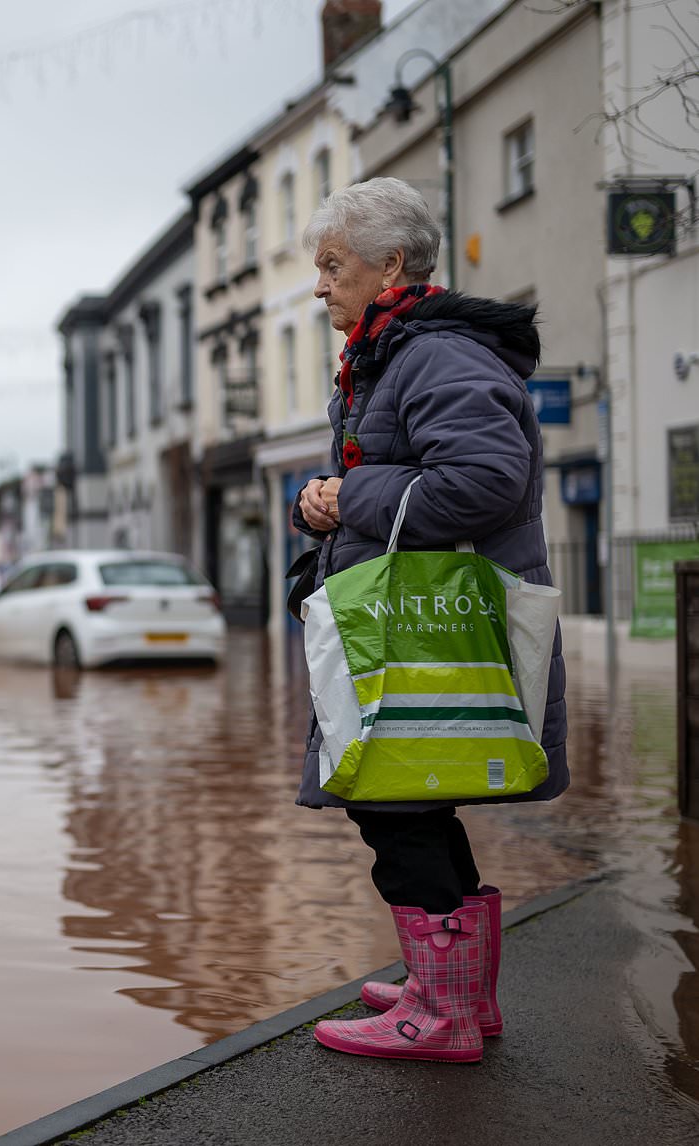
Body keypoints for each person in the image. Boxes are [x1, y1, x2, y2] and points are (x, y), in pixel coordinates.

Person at [290, 178, 567, 1064]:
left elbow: (484, 480)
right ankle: (454, 991)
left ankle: (441, 1013)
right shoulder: (393, 354)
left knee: (392, 804)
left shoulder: (433, 355)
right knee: (413, 800)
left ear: (391, 266)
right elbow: (396, 482)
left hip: (425, 638)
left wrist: (351, 495)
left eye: (333, 265)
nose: (320, 286)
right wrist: (323, 504)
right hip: (411, 635)